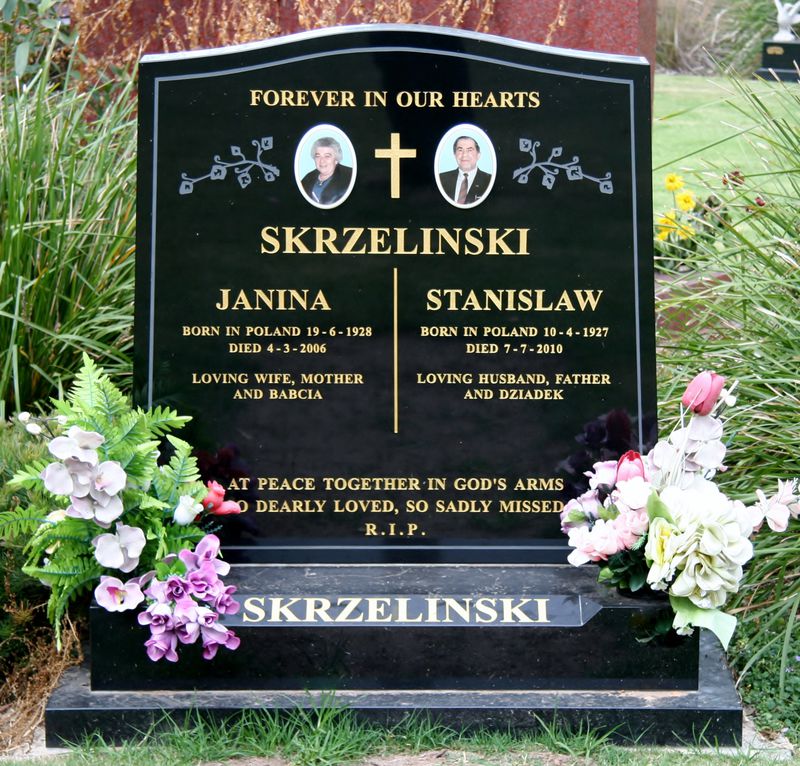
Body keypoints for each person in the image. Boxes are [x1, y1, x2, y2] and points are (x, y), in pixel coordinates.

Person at [439, 136, 492, 205]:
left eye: (469, 150)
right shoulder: (441, 179)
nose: (464, 155)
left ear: (478, 155)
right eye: (460, 150)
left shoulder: (489, 180)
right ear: (454, 155)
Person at [300, 137, 353, 206]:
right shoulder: (307, 178)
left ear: (336, 159)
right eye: (318, 156)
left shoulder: (350, 177)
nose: (322, 161)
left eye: (327, 156)